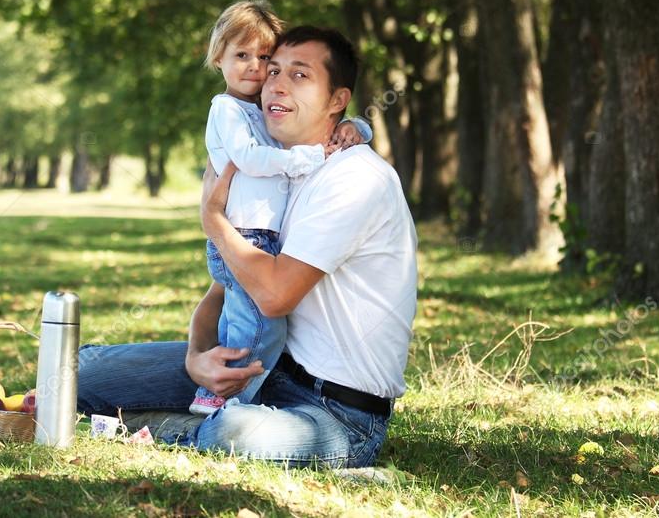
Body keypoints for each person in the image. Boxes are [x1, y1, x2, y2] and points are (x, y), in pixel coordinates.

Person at [77, 25, 417, 468]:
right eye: (273, 70)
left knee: (232, 431)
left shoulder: (355, 179)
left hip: (336, 412)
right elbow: (223, 291)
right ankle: (144, 419)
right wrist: (197, 360)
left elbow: (274, 296)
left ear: (338, 100)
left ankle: (143, 428)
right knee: (82, 372)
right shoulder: (274, 173)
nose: (276, 84)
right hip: (266, 370)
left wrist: (216, 224)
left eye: (299, 75)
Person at [190, 0, 372, 415]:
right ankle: (223, 400)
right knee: (258, 326)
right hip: (246, 233)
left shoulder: (260, 113)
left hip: (253, 233)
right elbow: (250, 159)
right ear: (218, 59)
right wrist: (309, 157)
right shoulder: (226, 109)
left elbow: (302, 129)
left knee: (244, 319)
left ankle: (219, 404)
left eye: (265, 60)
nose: (257, 69)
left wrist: (357, 126)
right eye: (243, 56)